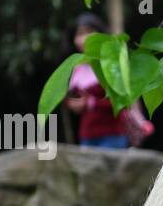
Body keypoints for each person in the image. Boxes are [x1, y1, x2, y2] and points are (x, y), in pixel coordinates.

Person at [64, 13, 150, 149]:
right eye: (78, 34)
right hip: (87, 135)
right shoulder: (77, 68)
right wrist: (74, 104)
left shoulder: (111, 63)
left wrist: (90, 102)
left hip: (113, 134)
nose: (82, 39)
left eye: (88, 32)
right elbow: (73, 99)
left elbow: (121, 100)